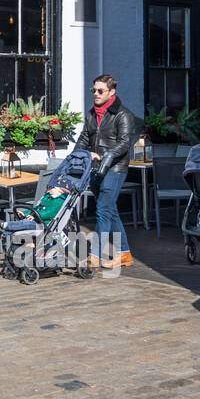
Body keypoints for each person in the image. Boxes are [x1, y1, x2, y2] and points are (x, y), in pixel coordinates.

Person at [74, 73, 140, 269]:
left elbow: (124, 143)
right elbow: (84, 138)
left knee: (103, 210)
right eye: (93, 90)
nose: (95, 93)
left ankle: (95, 255)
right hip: (95, 169)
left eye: (100, 90)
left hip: (115, 169)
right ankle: (125, 253)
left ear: (111, 92)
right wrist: (76, 156)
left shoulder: (123, 114)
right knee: (111, 211)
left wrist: (106, 156)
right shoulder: (91, 114)